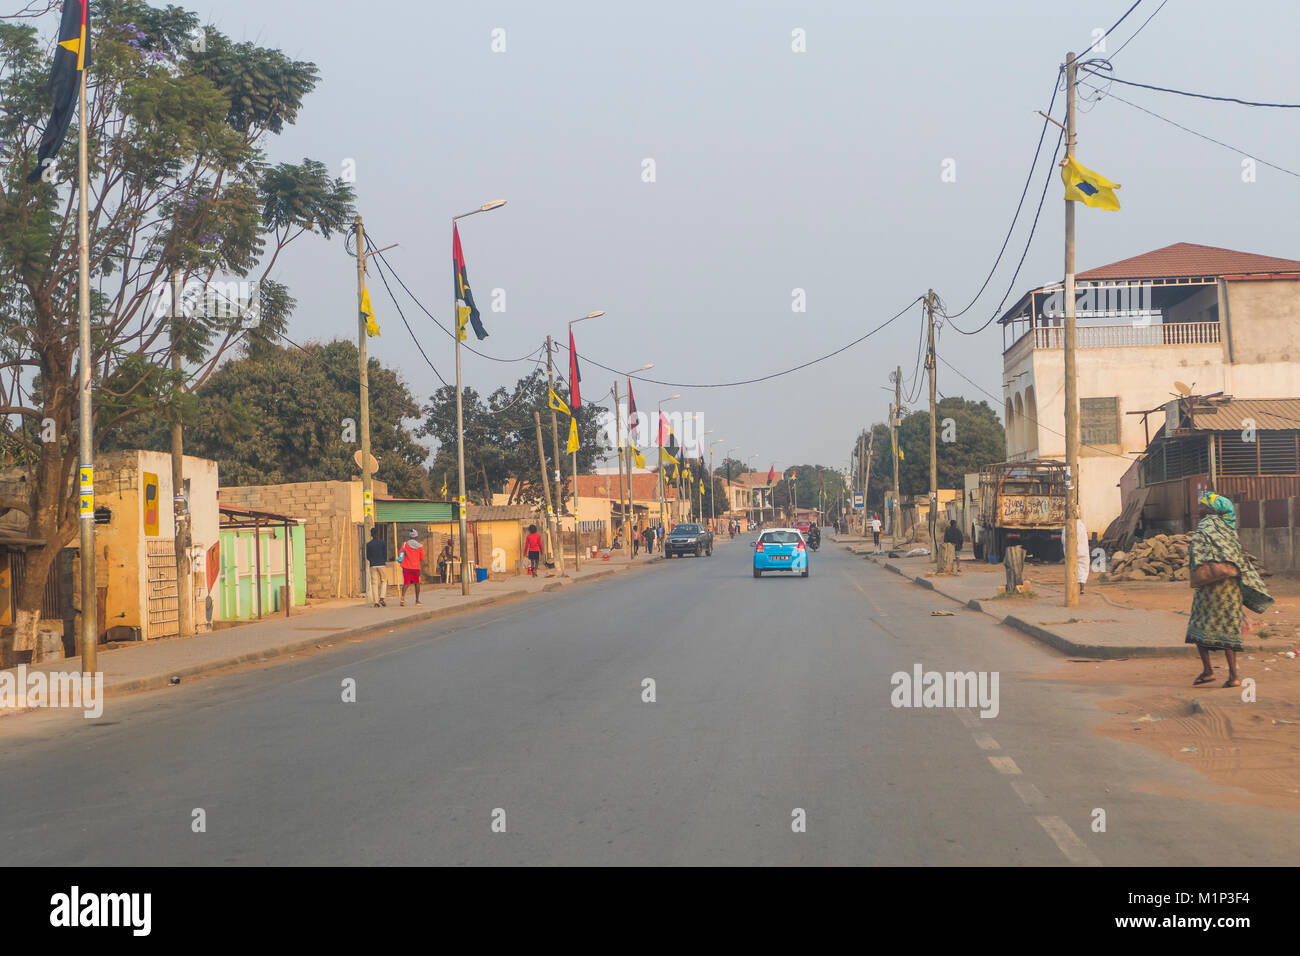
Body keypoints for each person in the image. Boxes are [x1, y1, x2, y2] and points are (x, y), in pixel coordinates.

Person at [1187, 492, 1273, 688]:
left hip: (1210, 586)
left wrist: (1196, 564)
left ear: (1212, 510)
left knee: (1198, 626)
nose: (1199, 507)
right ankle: (1233, 676)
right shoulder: (1229, 528)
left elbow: (1197, 549)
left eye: (1203, 504)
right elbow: (1236, 555)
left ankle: (1208, 671)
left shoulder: (1207, 524)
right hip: (1231, 587)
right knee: (1228, 628)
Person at [397, 528, 425, 606]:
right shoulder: (420, 546)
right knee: (417, 583)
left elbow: (400, 554)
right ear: (416, 537)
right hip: (416, 568)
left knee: (406, 583)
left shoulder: (405, 544)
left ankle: (402, 598)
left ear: (410, 537)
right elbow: (422, 558)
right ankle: (417, 600)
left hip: (406, 567)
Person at [365, 526, 388, 607]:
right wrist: (383, 560)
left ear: (371, 534)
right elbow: (385, 554)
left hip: (373, 565)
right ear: (378, 534)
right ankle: (382, 597)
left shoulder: (369, 544)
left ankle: (376, 602)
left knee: (374, 583)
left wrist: (372, 561)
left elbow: (367, 556)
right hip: (381, 563)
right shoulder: (382, 542)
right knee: (384, 580)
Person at [1075, 516, 1090, 594]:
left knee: (1073, 569)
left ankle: (1073, 588)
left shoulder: (1067, 527)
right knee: (1083, 568)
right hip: (1083, 551)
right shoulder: (1082, 526)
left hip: (1072, 551)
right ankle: (1082, 588)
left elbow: (1064, 540)